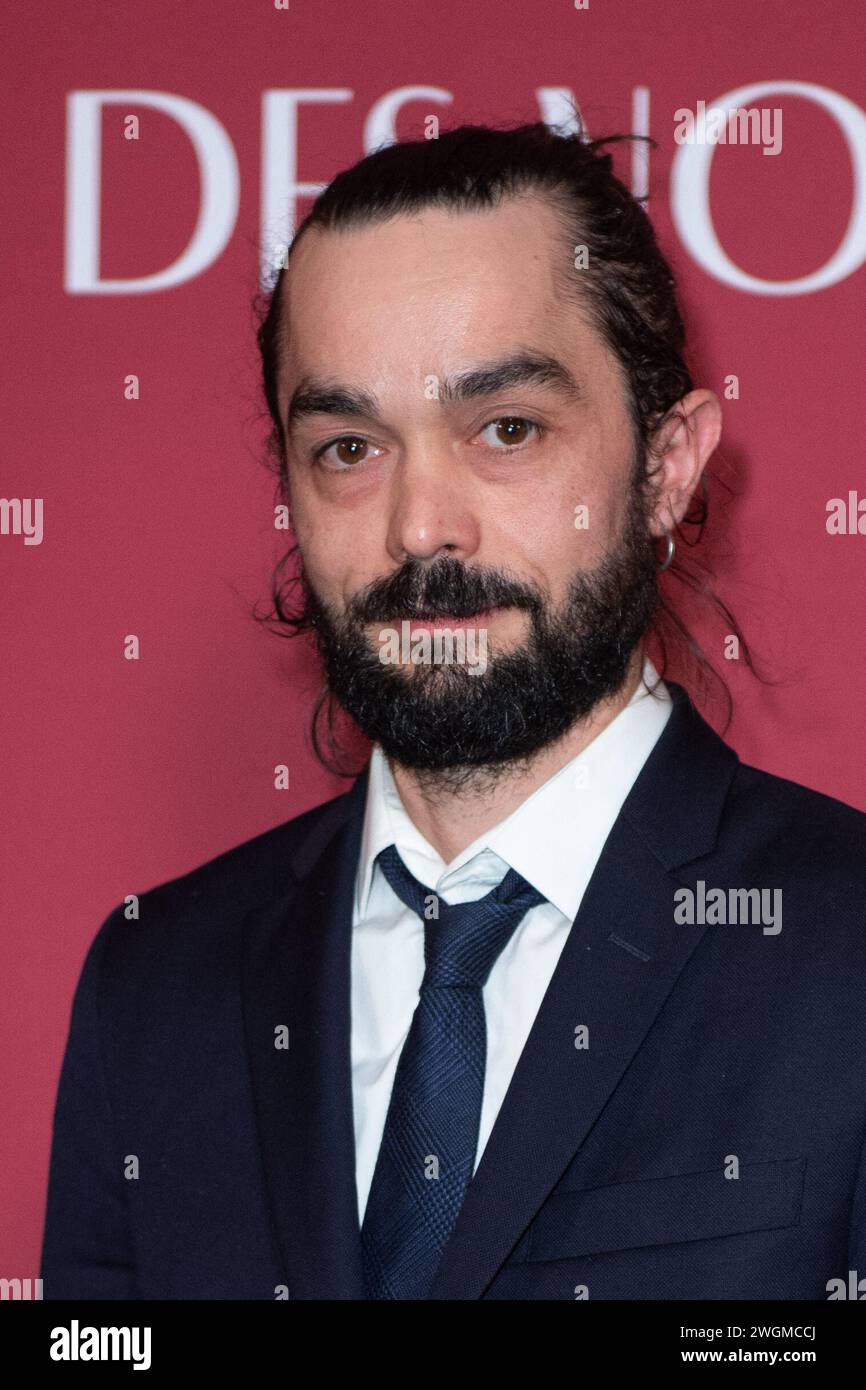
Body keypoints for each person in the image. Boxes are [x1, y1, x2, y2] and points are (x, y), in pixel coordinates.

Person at [42, 122, 866, 1301]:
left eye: (507, 429)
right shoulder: (158, 984)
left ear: (667, 465)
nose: (419, 523)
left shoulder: (841, 953)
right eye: (347, 446)